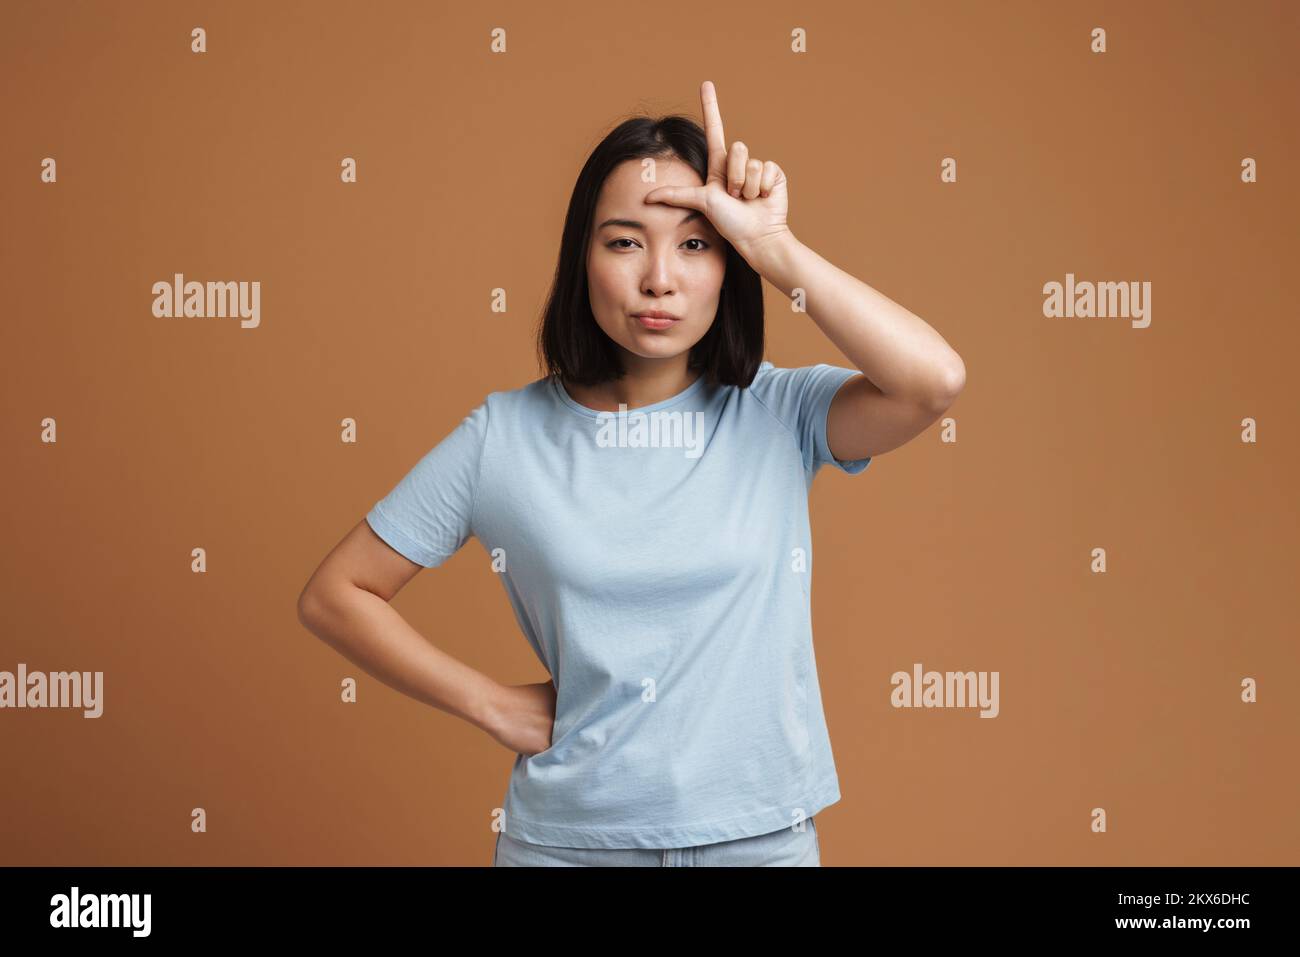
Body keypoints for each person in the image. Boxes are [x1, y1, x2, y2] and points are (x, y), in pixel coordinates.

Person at [297, 80, 966, 867]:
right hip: (569, 846)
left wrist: (774, 246)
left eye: (695, 244)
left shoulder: (777, 412)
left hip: (760, 845)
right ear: (582, 258)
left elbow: (934, 380)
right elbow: (336, 594)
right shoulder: (504, 437)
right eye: (623, 241)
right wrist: (493, 704)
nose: (659, 279)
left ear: (728, 265)